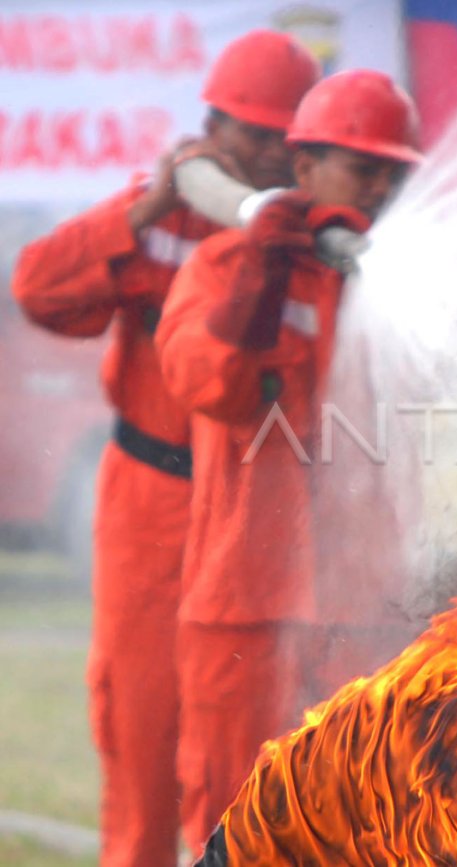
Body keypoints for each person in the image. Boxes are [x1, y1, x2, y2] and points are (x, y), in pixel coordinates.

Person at [9, 30, 320, 867]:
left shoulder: (308, 241)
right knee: (139, 729)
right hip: (149, 497)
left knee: (244, 746)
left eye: (279, 139)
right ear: (210, 128)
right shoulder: (154, 215)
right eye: (248, 133)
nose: (262, 153)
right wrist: (140, 210)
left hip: (255, 517)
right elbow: (39, 290)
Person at [155, 68, 423, 856]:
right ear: (302, 169)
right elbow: (212, 387)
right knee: (230, 822)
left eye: (393, 173)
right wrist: (263, 277)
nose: (379, 187)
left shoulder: (404, 282)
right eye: (361, 167)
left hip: (366, 612)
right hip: (246, 607)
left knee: (362, 826)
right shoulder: (220, 270)